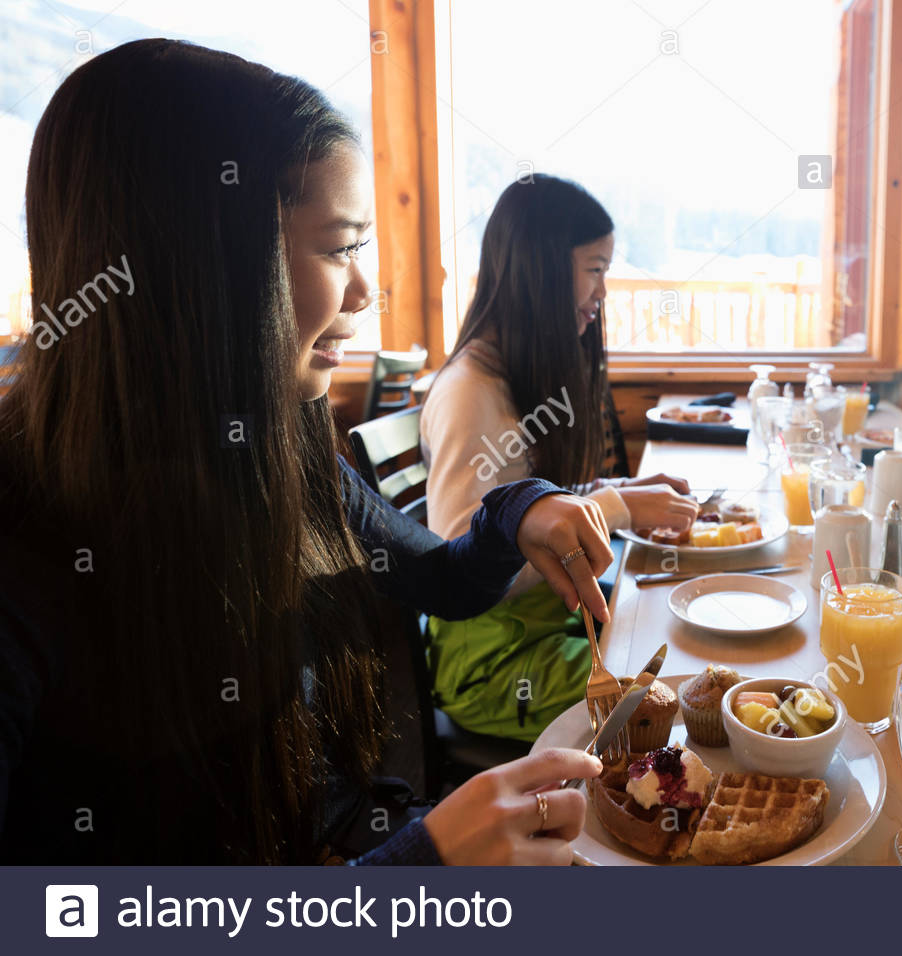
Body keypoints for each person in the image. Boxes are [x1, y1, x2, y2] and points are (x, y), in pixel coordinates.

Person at [0, 39, 608, 865]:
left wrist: (516, 510)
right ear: (204, 263)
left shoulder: (277, 447)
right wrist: (413, 871)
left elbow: (440, 580)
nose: (365, 291)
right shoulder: (26, 534)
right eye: (338, 248)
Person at [420, 175, 698, 739]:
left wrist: (618, 490)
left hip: (555, 631)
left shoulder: (514, 373)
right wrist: (613, 508)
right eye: (595, 270)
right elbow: (463, 567)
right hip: (495, 665)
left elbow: (528, 498)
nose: (602, 294)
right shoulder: (470, 391)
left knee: (678, 648)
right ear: (540, 270)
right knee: (681, 704)